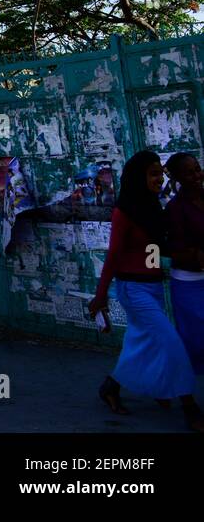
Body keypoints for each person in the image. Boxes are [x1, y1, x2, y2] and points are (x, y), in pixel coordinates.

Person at [89, 149, 202, 431]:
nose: (158, 179)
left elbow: (160, 247)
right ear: (138, 177)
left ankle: (111, 386)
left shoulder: (153, 207)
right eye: (152, 174)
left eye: (160, 174)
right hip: (133, 290)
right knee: (171, 343)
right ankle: (189, 406)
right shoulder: (123, 211)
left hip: (153, 288)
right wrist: (101, 296)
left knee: (142, 345)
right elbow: (114, 256)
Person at [165, 153, 204, 376]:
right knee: (195, 344)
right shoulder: (176, 208)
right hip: (190, 285)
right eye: (189, 172)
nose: (196, 175)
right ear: (178, 178)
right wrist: (195, 255)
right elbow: (173, 249)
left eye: (197, 169)